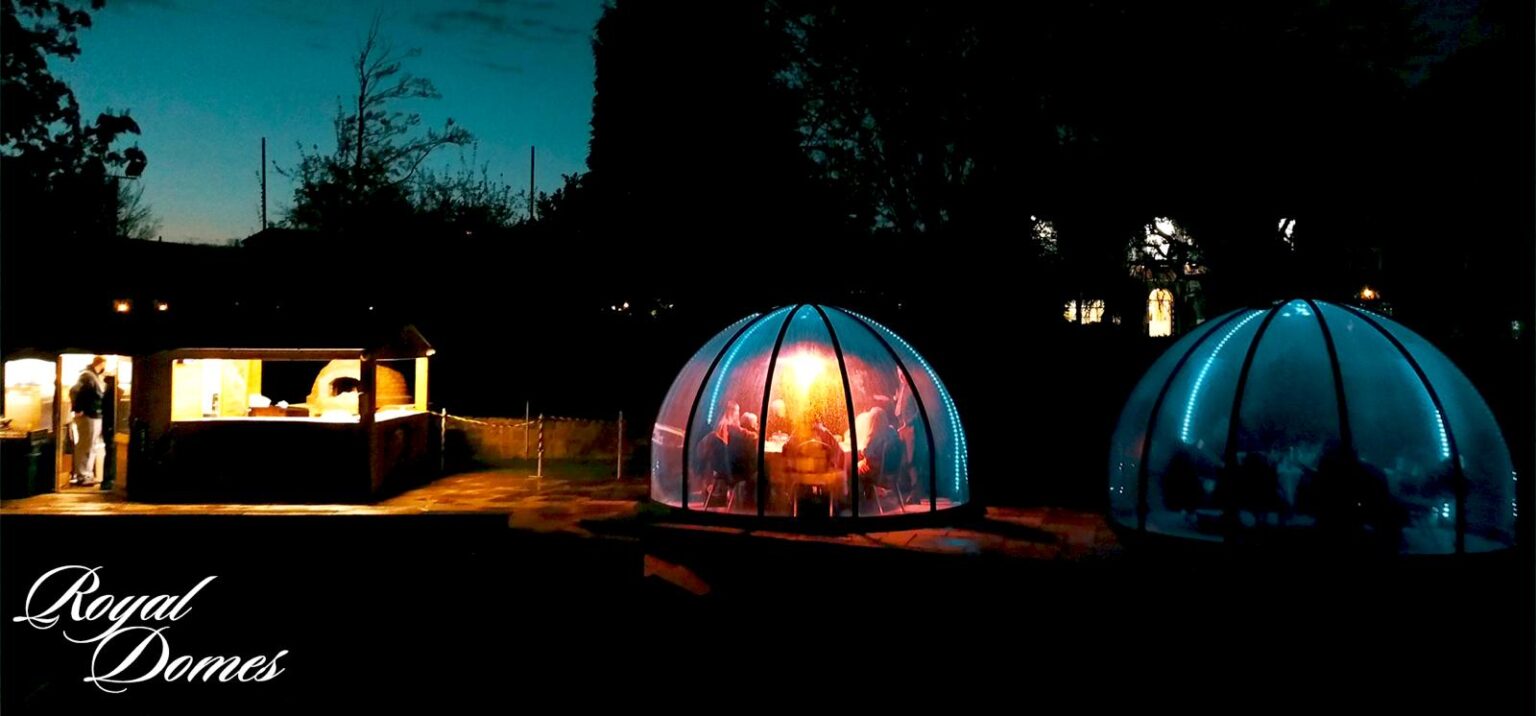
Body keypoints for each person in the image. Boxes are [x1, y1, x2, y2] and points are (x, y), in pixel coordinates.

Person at [68, 356, 108, 487]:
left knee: (90, 445)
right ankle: (83, 474)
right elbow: (75, 390)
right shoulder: (88, 376)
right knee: (86, 445)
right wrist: (78, 408)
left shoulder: (91, 376)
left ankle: (86, 474)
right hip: (89, 415)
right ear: (101, 364)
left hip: (93, 415)